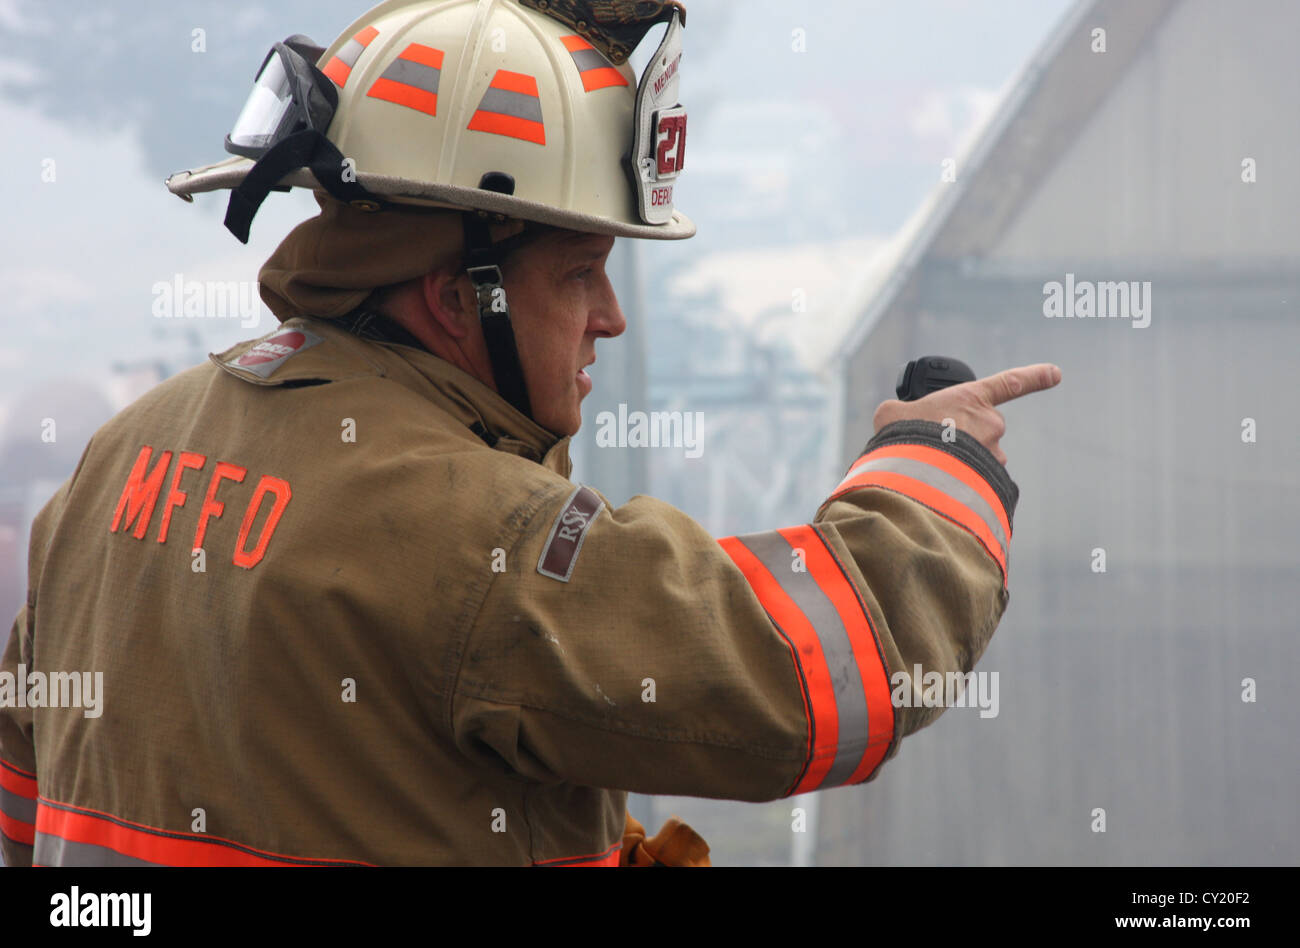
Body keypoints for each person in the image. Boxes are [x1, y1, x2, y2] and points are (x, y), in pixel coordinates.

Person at [0, 0, 1059, 867]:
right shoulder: (468, 532)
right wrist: (937, 467)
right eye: (577, 274)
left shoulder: (125, 452)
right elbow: (815, 681)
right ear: (458, 296)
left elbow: (25, 776)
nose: (611, 315)